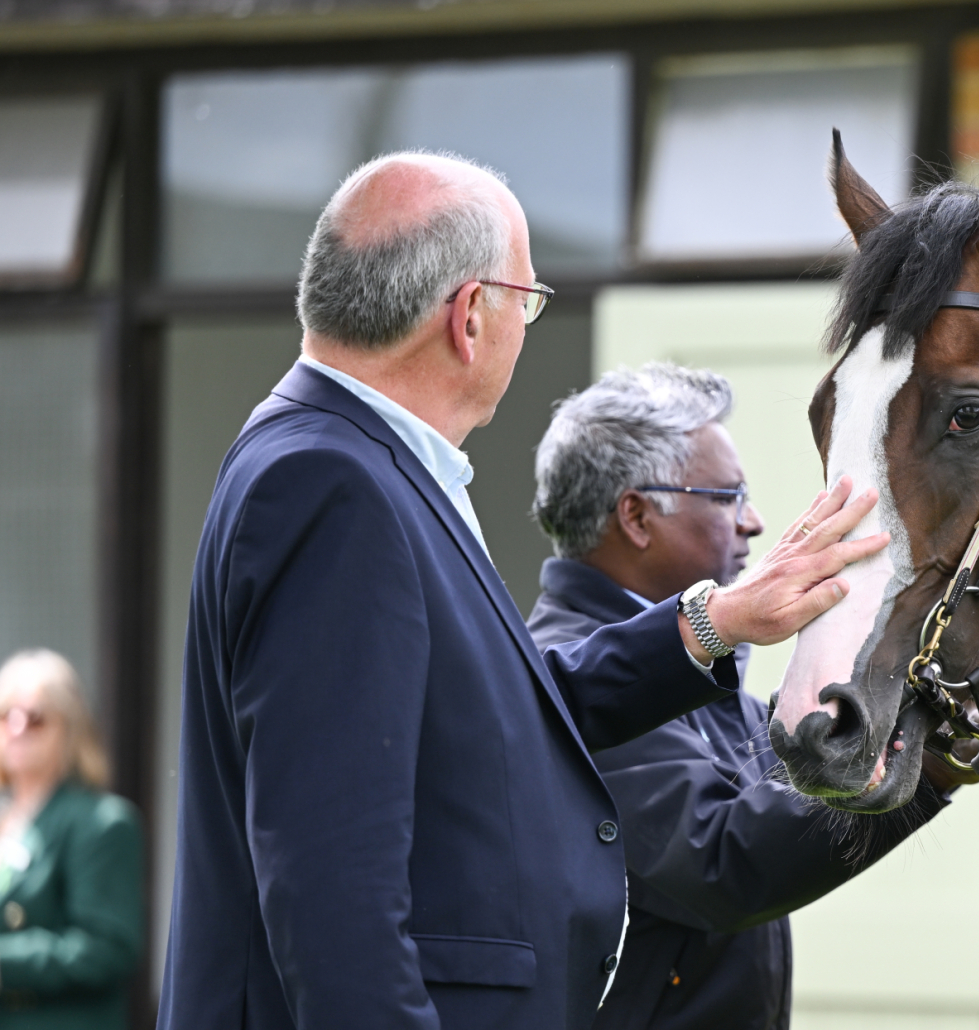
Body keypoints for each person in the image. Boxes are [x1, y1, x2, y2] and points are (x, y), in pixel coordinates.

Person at [160, 151, 888, 1030]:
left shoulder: (350, 459)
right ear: (470, 315)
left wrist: (714, 620)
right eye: (528, 299)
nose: (526, 323)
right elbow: (332, 884)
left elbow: (505, 714)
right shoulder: (331, 481)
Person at [524, 364, 979, 1030]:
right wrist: (928, 773)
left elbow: (777, 806)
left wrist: (932, 732)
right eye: (728, 497)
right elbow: (722, 863)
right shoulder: (579, 680)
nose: (754, 522)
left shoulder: (692, 667)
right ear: (637, 516)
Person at [0, 650, 142, 1029]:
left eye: (35, 717)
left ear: (70, 729)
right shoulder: (6, 818)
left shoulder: (102, 822)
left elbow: (106, 949)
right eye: (6, 714)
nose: (17, 727)